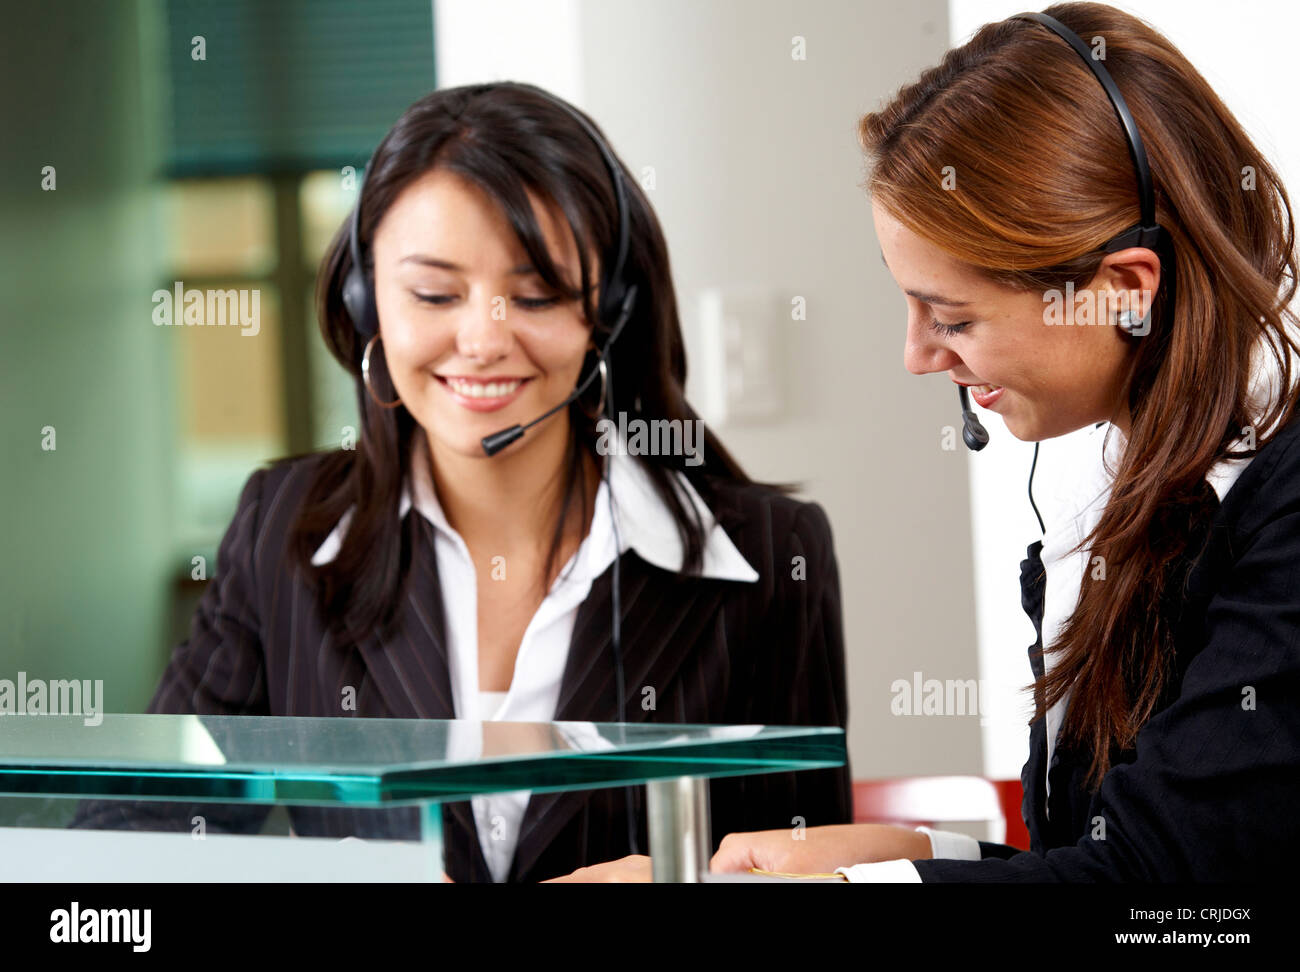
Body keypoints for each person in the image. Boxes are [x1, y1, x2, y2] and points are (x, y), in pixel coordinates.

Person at [568, 2, 1300, 882]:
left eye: (953, 318)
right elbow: (1096, 858)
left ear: (1123, 290)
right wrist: (909, 851)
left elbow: (1163, 902)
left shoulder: (1281, 515)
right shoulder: (1134, 492)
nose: (915, 357)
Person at [71, 82, 851, 882]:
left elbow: (813, 865)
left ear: (607, 313)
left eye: (537, 293)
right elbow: (122, 839)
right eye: (435, 294)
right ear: (365, 296)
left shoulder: (769, 557)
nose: (482, 339)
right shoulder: (283, 531)